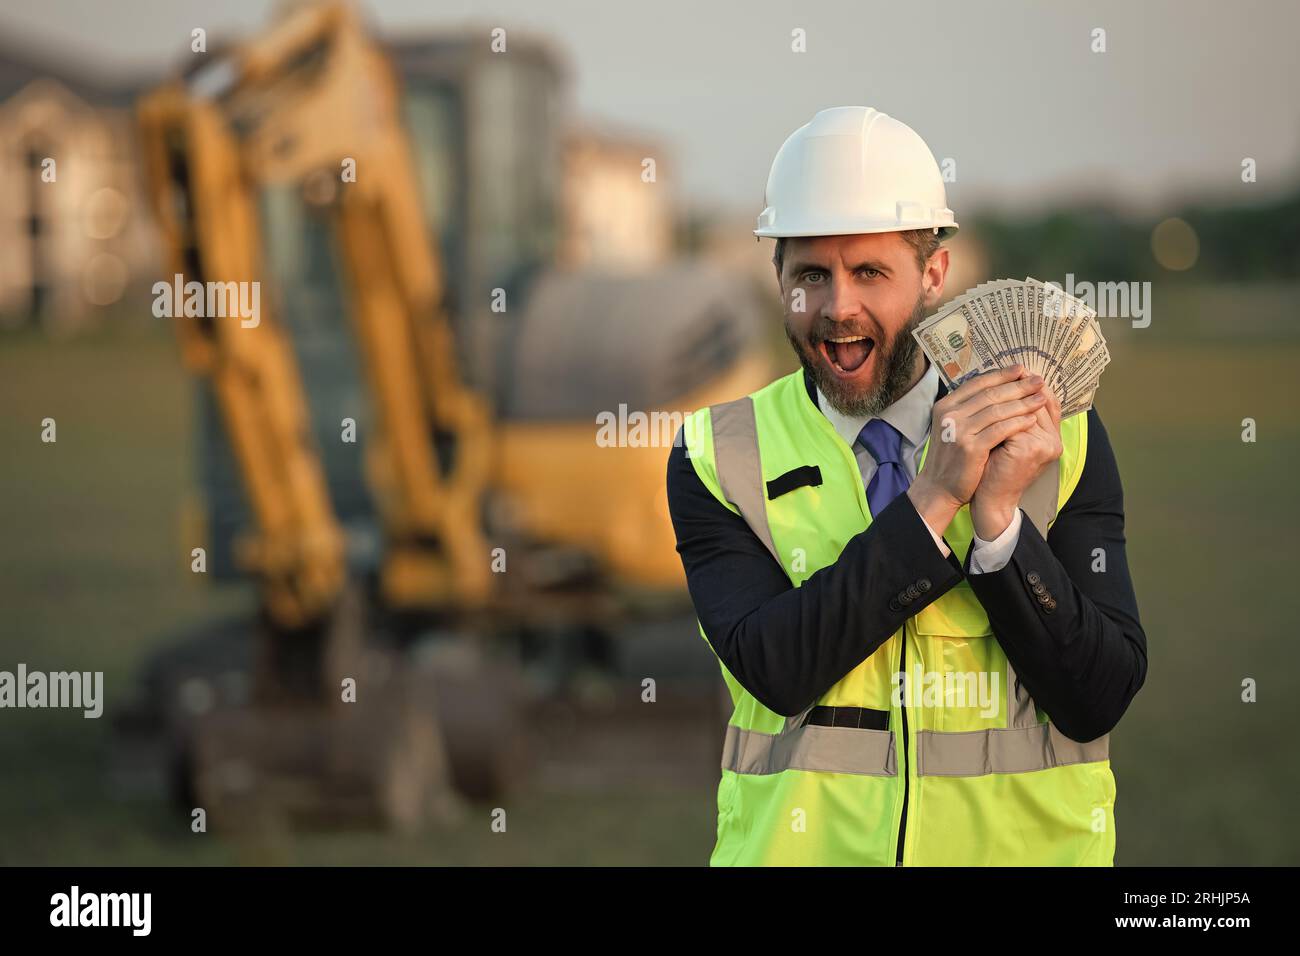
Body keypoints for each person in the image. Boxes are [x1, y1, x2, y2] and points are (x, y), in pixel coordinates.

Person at [666, 106, 1147, 866]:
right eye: (811, 275)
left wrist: (997, 525)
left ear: (933, 275)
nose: (838, 307)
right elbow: (777, 671)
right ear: (777, 280)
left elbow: (1098, 695)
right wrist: (934, 501)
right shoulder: (716, 457)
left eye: (869, 273)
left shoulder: (1067, 439)